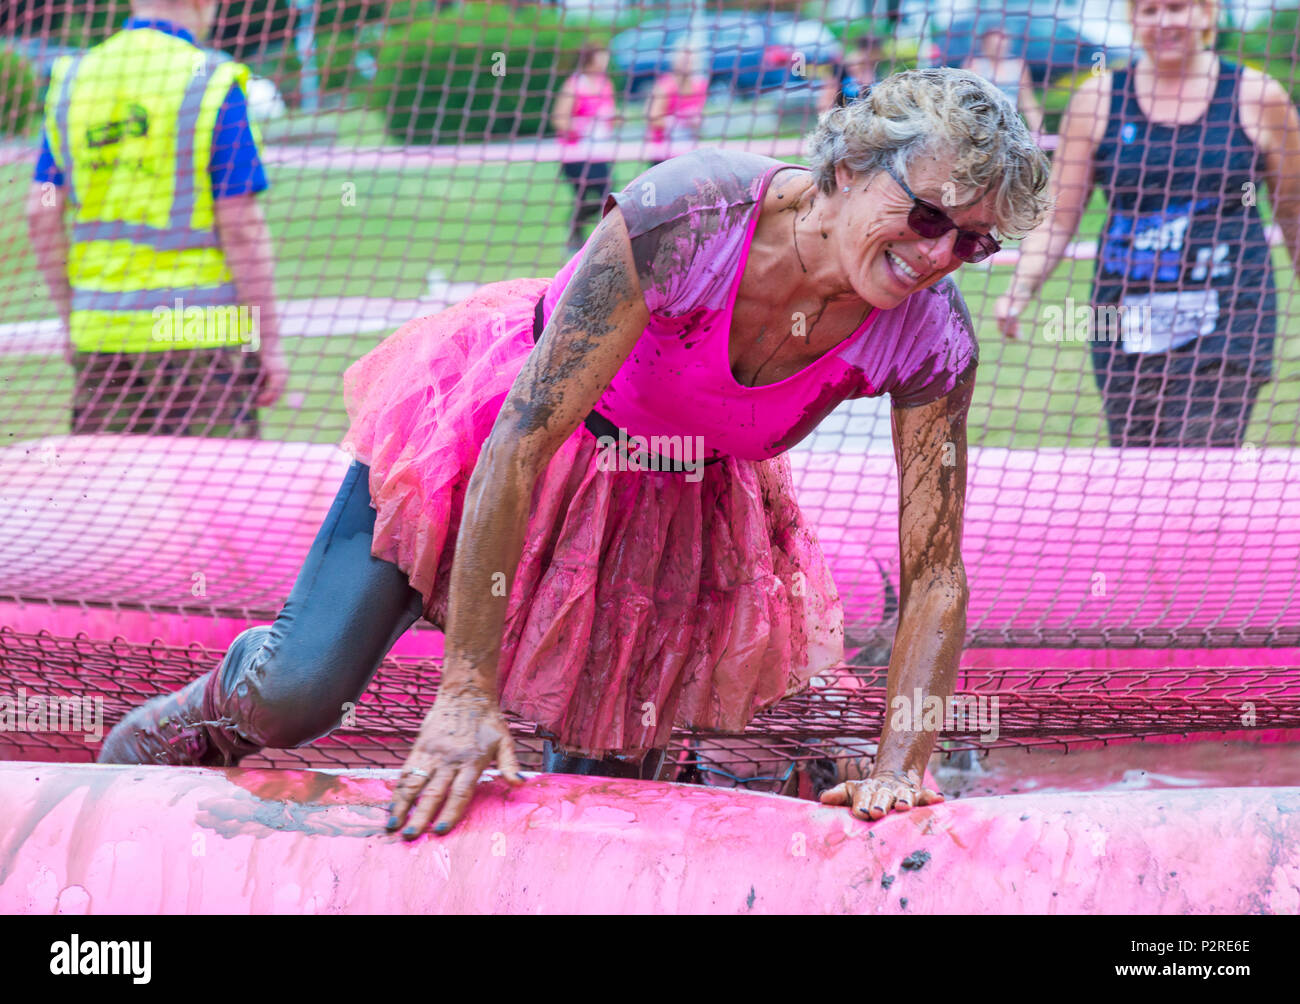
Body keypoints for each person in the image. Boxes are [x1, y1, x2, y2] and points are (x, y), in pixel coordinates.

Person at [99, 69, 1051, 838]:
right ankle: (157, 740)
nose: (937, 256)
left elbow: (934, 572)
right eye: (927, 216)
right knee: (300, 691)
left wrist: (902, 762)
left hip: (671, 503)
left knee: (604, 797)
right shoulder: (691, 217)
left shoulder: (931, 339)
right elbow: (519, 442)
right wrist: (466, 693)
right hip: (500, 437)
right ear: (846, 167)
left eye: (973, 244)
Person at [996, 0, 1300, 447]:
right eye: (1149, 10)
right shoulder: (1097, 99)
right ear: (1133, 19)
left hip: (1231, 316)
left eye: (1177, 8)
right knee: (1139, 468)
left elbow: (1292, 213)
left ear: (1206, 14)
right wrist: (1020, 287)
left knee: (1200, 457)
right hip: (1121, 320)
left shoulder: (1259, 96)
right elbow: (1060, 216)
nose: (1163, 22)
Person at [25, 0, 287, 437]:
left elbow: (41, 210)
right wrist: (269, 343)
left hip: (103, 337)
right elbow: (240, 226)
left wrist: (73, 318)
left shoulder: (74, 79)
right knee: (213, 500)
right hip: (201, 337)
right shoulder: (212, 82)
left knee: (116, 500)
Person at [551, 45, 621, 254]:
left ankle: (582, 235)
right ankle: (576, 233)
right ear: (590, 60)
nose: (605, 62)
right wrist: (582, 126)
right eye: (601, 58)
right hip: (575, 153)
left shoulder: (606, 85)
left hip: (599, 152)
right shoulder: (574, 85)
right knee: (586, 195)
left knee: (606, 194)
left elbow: (611, 116)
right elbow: (559, 119)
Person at [963, 27, 1044, 135]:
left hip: (1011, 125)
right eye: (994, 44)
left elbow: (1028, 101)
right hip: (983, 125)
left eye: (1002, 43)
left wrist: (1039, 130)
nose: (999, 47)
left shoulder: (1018, 65)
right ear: (985, 45)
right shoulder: (974, 65)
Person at [645, 42, 709, 166]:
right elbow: (652, 118)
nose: (687, 64)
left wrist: (697, 122)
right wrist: (679, 121)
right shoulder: (665, 86)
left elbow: (700, 115)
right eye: (683, 60)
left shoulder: (700, 86)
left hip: (688, 150)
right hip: (663, 151)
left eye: (690, 60)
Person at [818, 34, 882, 114]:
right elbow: (826, 100)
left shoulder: (873, 68)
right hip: (843, 119)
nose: (880, 56)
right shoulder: (840, 69)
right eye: (878, 52)